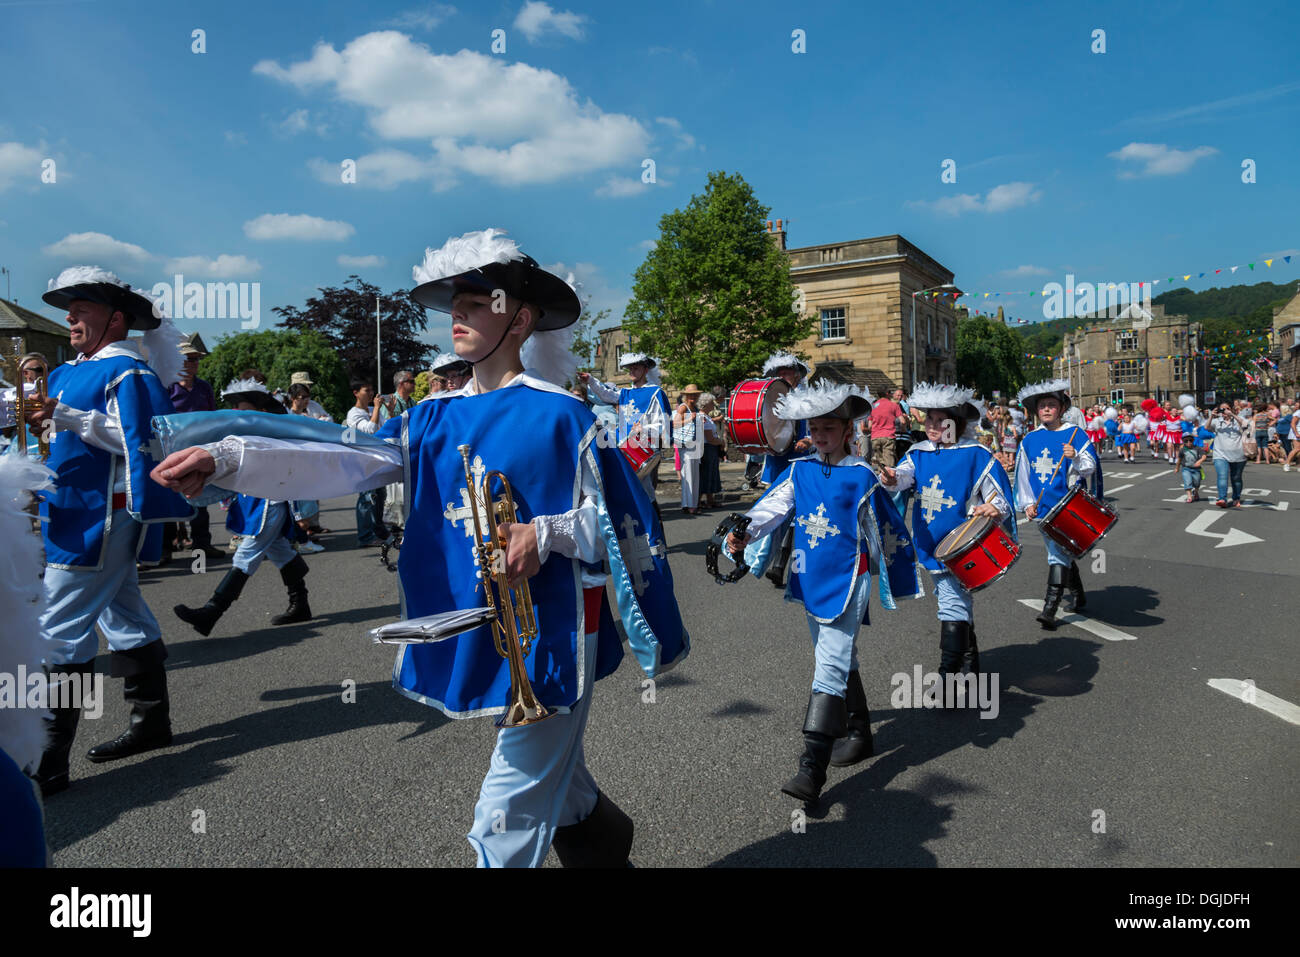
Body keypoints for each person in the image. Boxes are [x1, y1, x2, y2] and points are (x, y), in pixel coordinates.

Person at [150, 228, 687, 868]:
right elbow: (337, 462)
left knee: (507, 810)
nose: (457, 313)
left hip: (555, 629)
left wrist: (547, 533)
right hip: (484, 624)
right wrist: (228, 455)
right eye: (454, 303)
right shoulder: (430, 418)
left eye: (477, 301)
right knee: (558, 786)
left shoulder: (565, 416)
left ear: (519, 319)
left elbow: (627, 529)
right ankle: (607, 848)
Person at [24, 266, 194, 794]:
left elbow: (142, 442)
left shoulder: (130, 372)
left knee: (58, 626)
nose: (70, 318)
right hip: (74, 505)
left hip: (104, 512)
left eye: (82, 310)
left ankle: (46, 760)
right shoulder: (70, 370)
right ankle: (152, 724)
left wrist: (67, 416)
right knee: (125, 616)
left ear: (116, 320)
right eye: (68, 310)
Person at [727, 382, 918, 803]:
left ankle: (811, 769)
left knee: (828, 663)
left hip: (850, 579)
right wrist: (745, 531)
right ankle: (860, 732)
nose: (820, 435)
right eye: (814, 428)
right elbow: (772, 508)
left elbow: (886, 526)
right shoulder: (799, 470)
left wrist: (895, 572)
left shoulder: (862, 475)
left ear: (848, 430)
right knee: (838, 655)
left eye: (829, 428)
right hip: (809, 577)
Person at [881, 384, 1015, 703]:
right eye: (929, 419)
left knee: (951, 606)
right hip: (930, 543)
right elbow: (904, 477)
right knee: (956, 605)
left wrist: (993, 508)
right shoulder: (918, 453)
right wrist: (891, 478)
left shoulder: (977, 455)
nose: (931, 426)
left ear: (957, 422)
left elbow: (1000, 497)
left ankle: (948, 681)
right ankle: (971, 668)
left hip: (965, 545)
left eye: (941, 420)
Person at [170, 379, 313, 636]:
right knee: (281, 551)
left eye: (242, 406)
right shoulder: (246, 430)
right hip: (258, 499)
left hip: (270, 501)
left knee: (245, 556)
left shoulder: (271, 431)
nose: (236, 411)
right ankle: (300, 602)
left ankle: (211, 612)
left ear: (258, 409)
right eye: (234, 406)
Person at [1013, 379, 1096, 630]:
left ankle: (1050, 609)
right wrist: (1027, 503)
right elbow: (1023, 475)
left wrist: (1076, 456)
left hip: (1068, 505)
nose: (1047, 410)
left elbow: (1090, 467)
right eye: (1042, 406)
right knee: (1061, 552)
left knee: (1057, 554)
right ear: (1037, 411)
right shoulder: (1030, 439)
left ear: (1061, 409)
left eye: (1051, 405)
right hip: (1043, 507)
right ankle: (1078, 595)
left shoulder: (1074, 433)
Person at [578, 352, 671, 503]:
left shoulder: (655, 392)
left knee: (644, 490)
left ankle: (652, 521)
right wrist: (590, 380)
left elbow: (663, 422)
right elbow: (605, 394)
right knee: (632, 490)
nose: (632, 372)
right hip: (624, 446)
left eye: (636, 368)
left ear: (645, 370)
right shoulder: (625, 392)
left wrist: (646, 429)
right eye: (630, 369)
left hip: (644, 447)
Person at [164, 333, 221, 559]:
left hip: (198, 450)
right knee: (169, 500)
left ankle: (202, 545)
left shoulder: (204, 387)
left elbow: (213, 417)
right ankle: (165, 548)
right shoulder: (167, 387)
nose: (191, 364)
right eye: (186, 359)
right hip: (172, 449)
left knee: (199, 496)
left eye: (195, 359)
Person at [346, 378, 393, 547]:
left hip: (377, 458)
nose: (371, 394)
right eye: (367, 390)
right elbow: (370, 431)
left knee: (380, 496)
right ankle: (365, 536)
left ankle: (379, 530)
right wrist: (378, 408)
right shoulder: (353, 413)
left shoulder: (374, 409)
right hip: (362, 460)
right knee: (366, 498)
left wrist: (390, 411)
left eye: (372, 390)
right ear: (356, 393)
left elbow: (385, 428)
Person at [757, 353, 814, 485]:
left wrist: (810, 440)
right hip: (776, 456)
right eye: (779, 374)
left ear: (797, 376)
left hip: (800, 454)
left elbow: (817, 425)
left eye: (786, 373)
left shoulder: (808, 398)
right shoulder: (768, 399)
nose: (781, 377)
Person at [1208, 402, 1251, 508]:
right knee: (1222, 476)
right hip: (1220, 454)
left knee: (1236, 478)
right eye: (1222, 409)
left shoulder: (1238, 419)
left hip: (1238, 454)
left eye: (1227, 408)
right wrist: (1211, 416)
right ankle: (1222, 498)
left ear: (1231, 409)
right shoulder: (1217, 421)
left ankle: (1236, 498)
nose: (1225, 411)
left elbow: (1246, 425)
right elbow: (1206, 427)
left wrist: (1232, 415)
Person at [674, 384, 705, 513]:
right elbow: (675, 424)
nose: (693, 397)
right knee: (688, 476)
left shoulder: (696, 408)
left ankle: (692, 504)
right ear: (686, 396)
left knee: (695, 476)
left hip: (695, 445)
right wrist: (689, 419)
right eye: (690, 395)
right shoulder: (683, 407)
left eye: (695, 395)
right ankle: (689, 505)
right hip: (686, 446)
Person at [697, 391, 725, 509]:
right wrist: (721, 441)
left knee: (711, 473)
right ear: (706, 404)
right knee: (707, 474)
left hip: (709, 448)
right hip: (708, 448)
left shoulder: (706, 417)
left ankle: (710, 499)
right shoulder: (703, 417)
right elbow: (710, 438)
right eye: (711, 403)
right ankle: (698, 501)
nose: (713, 405)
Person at [867, 387, 904, 469]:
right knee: (889, 465)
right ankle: (888, 481)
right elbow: (903, 421)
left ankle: (881, 480)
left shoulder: (872, 407)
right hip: (888, 436)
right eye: (890, 392)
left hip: (875, 437)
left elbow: (869, 426)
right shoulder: (894, 405)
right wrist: (903, 428)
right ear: (887, 393)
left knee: (880, 465)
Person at [1180, 433, 1206, 503]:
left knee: (1197, 483)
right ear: (1183, 441)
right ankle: (1189, 496)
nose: (1188, 442)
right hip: (1186, 468)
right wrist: (1177, 467)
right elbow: (1179, 459)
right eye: (1186, 441)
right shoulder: (1182, 450)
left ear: (1193, 440)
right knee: (1187, 482)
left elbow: (1204, 456)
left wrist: (1199, 461)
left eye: (1190, 440)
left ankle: (1196, 492)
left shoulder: (1197, 448)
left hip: (1196, 469)